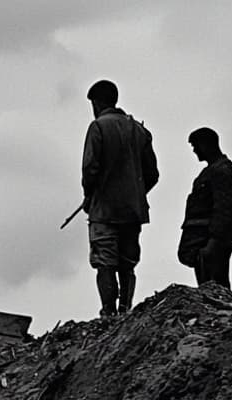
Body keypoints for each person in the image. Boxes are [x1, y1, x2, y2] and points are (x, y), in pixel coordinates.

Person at [81, 79, 158, 316]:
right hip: (133, 212)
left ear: (97, 102)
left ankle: (108, 312)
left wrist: (89, 197)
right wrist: (135, 194)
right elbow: (153, 174)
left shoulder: (98, 127)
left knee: (105, 262)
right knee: (127, 264)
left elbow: (90, 169)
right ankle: (125, 310)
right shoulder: (139, 130)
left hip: (104, 211)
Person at [179, 127, 232, 288]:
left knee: (215, 286)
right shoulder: (212, 171)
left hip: (212, 240)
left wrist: (214, 242)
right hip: (204, 239)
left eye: (195, 145)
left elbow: (225, 208)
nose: (194, 150)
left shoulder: (222, 170)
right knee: (207, 285)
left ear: (205, 144)